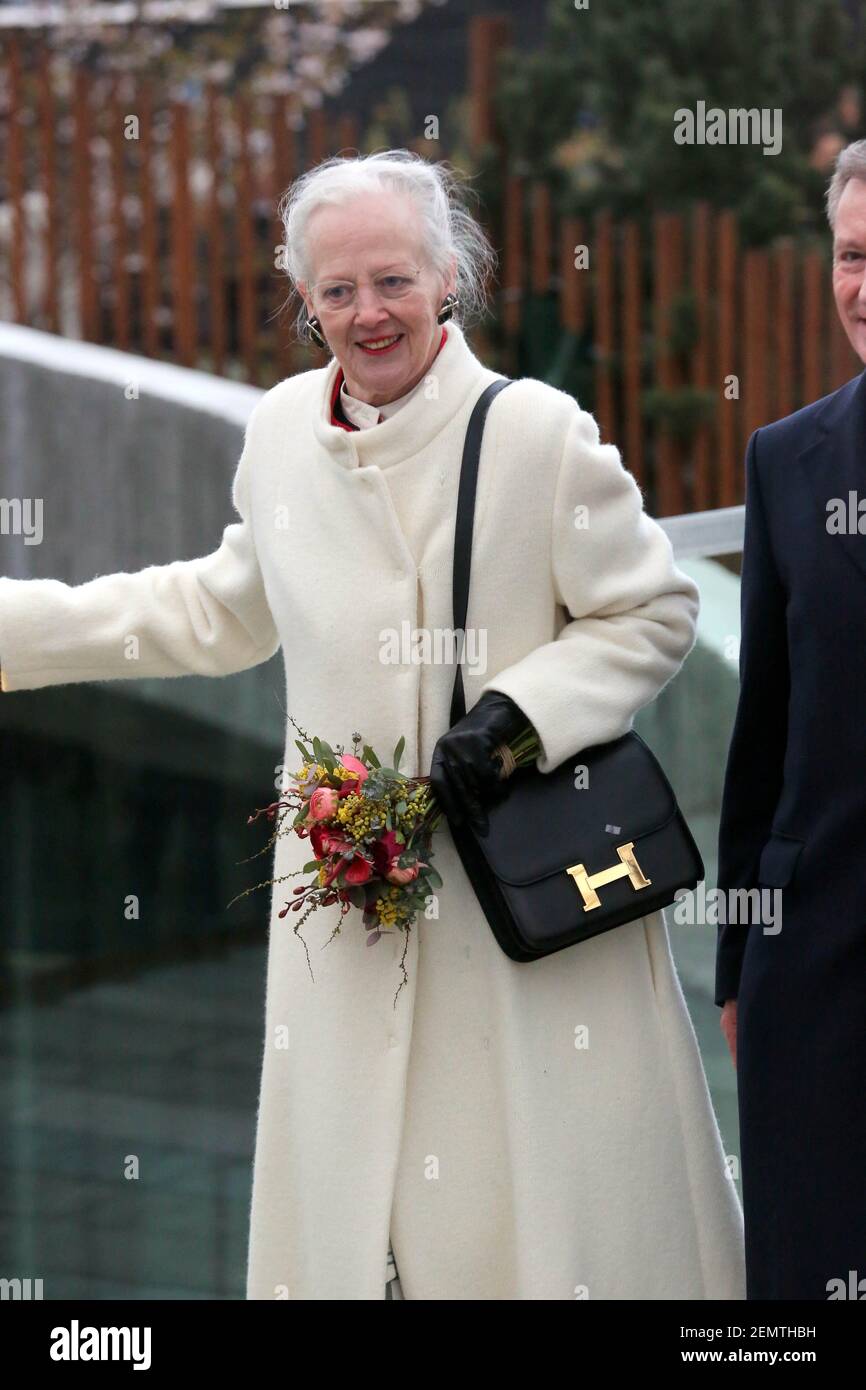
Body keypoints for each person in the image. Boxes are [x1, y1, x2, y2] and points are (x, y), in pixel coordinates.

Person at [0, 149, 744, 1300]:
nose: (367, 313)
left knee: (537, 1221)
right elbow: (218, 607)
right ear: (301, 297)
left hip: (516, 908)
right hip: (349, 913)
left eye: (391, 280)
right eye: (336, 289)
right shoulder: (284, 430)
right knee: (364, 1222)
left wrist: (514, 719)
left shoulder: (533, 432)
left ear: (449, 277)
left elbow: (650, 608)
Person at [715, 139, 866, 1300]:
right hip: (809, 979)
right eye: (851, 255)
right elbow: (757, 732)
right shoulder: (783, 458)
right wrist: (736, 967)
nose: (861, 284)